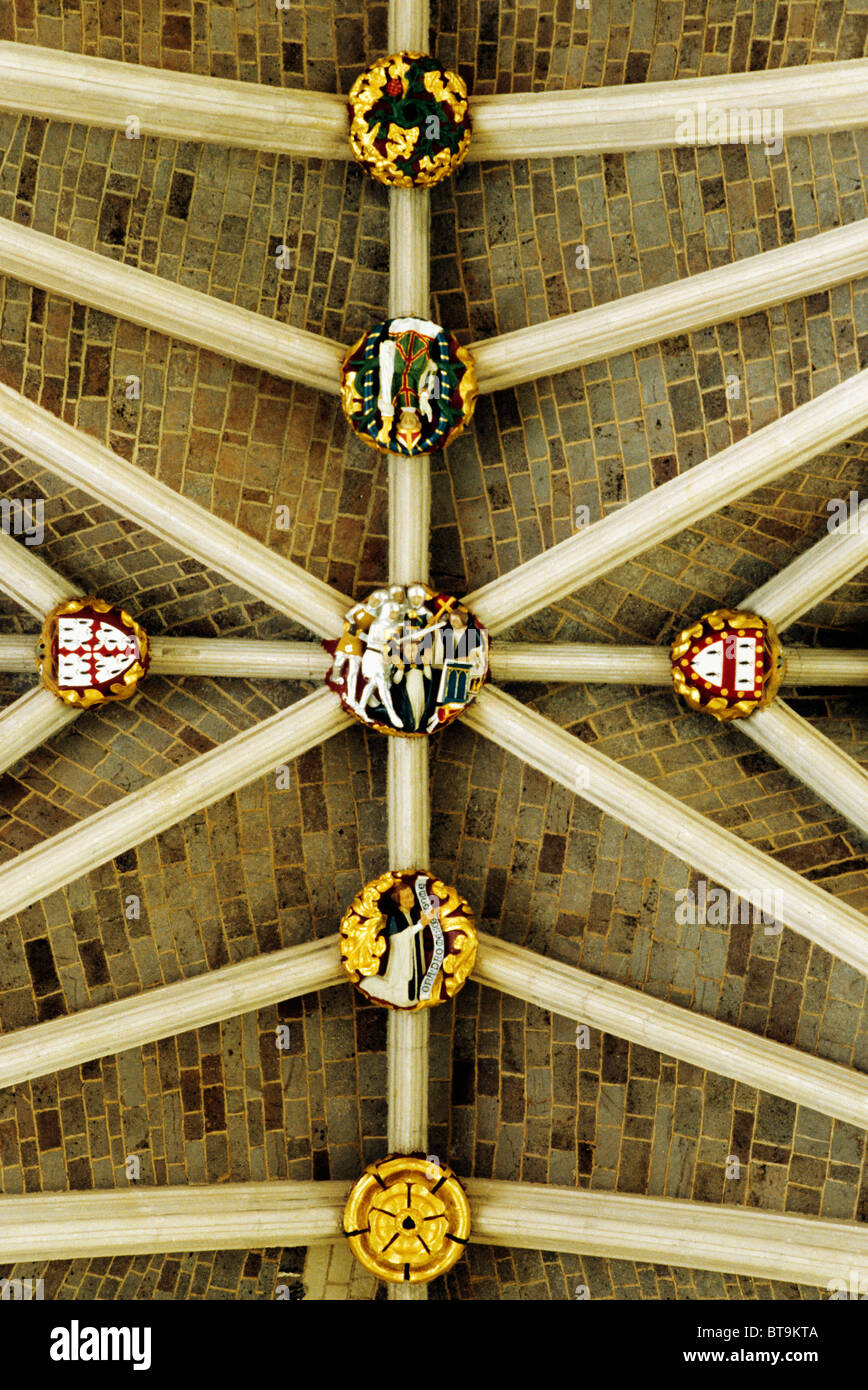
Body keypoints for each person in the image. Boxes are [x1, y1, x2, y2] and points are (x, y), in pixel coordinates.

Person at [362, 883, 436, 1007]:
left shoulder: (411, 915)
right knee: (400, 989)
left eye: (411, 895)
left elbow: (415, 934)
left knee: (415, 980)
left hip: (414, 958)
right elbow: (398, 939)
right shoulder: (395, 918)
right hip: (402, 962)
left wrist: (421, 925)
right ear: (399, 901)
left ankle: (413, 996)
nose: (410, 899)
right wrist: (420, 925)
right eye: (405, 897)